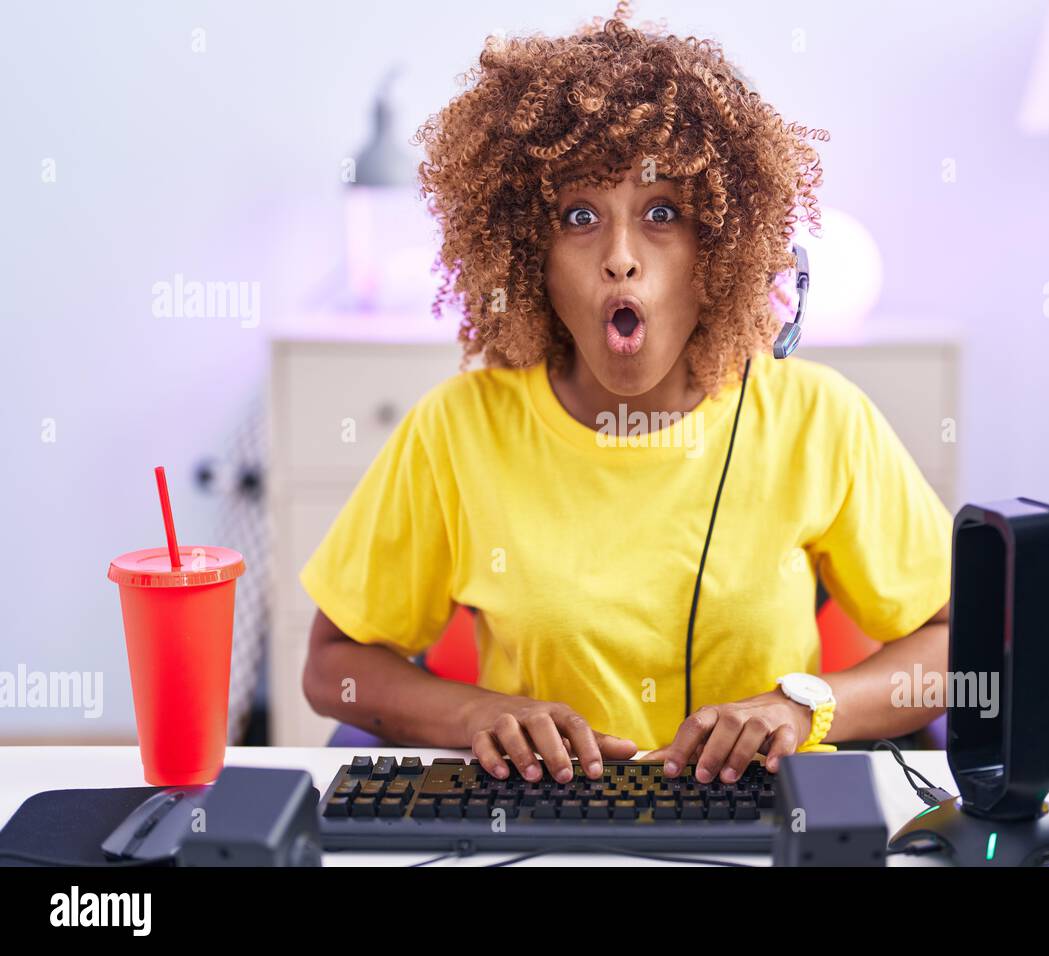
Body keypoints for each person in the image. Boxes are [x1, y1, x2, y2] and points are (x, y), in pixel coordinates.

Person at [300, 10, 952, 788]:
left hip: (764, 827)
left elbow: (959, 652)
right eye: (580, 217)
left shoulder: (819, 419)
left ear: (718, 246)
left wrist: (802, 705)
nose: (619, 259)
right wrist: (472, 715)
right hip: (539, 829)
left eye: (662, 214)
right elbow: (332, 667)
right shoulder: (457, 429)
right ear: (527, 252)